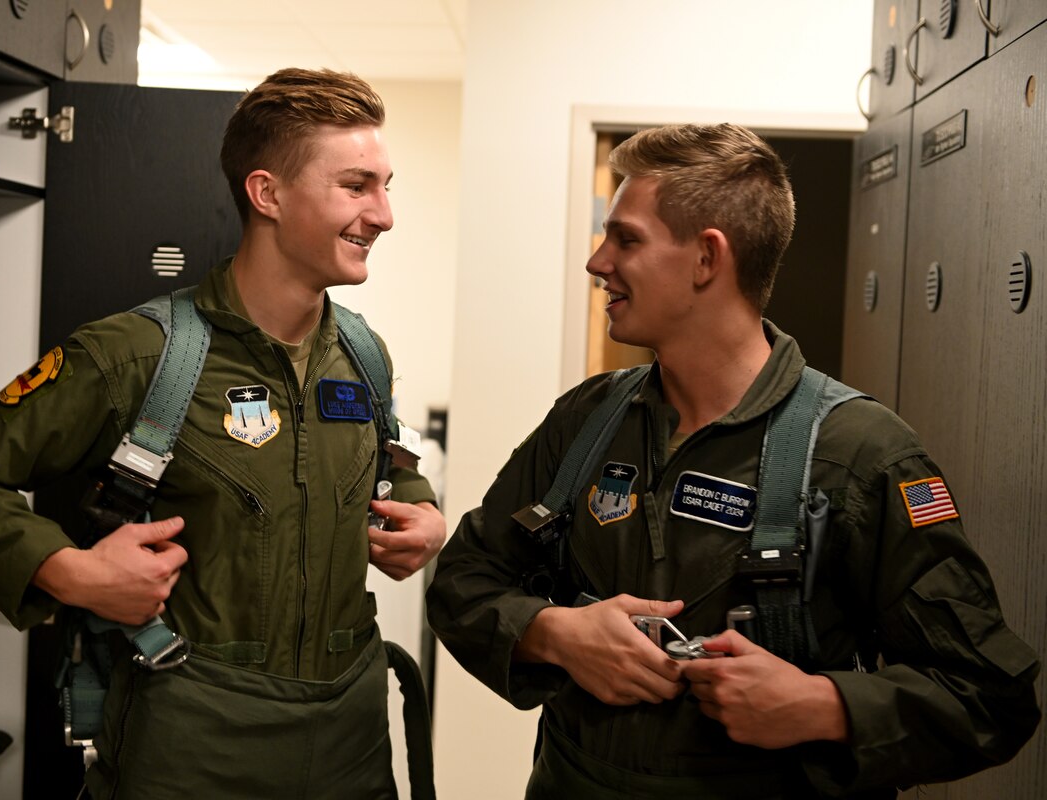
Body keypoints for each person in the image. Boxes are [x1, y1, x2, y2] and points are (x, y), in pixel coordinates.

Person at [424, 123, 1040, 799]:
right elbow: (462, 581)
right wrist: (554, 633)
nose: (598, 262)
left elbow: (988, 696)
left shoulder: (859, 454)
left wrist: (823, 706)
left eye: (626, 238)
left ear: (707, 259)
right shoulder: (588, 421)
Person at [0, 67, 446, 800]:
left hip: (351, 737)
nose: (383, 214)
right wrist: (71, 572)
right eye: (357, 186)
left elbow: (389, 459)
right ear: (268, 194)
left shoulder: (362, 353)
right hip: (192, 742)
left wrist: (420, 511)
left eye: (387, 186)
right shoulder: (138, 355)